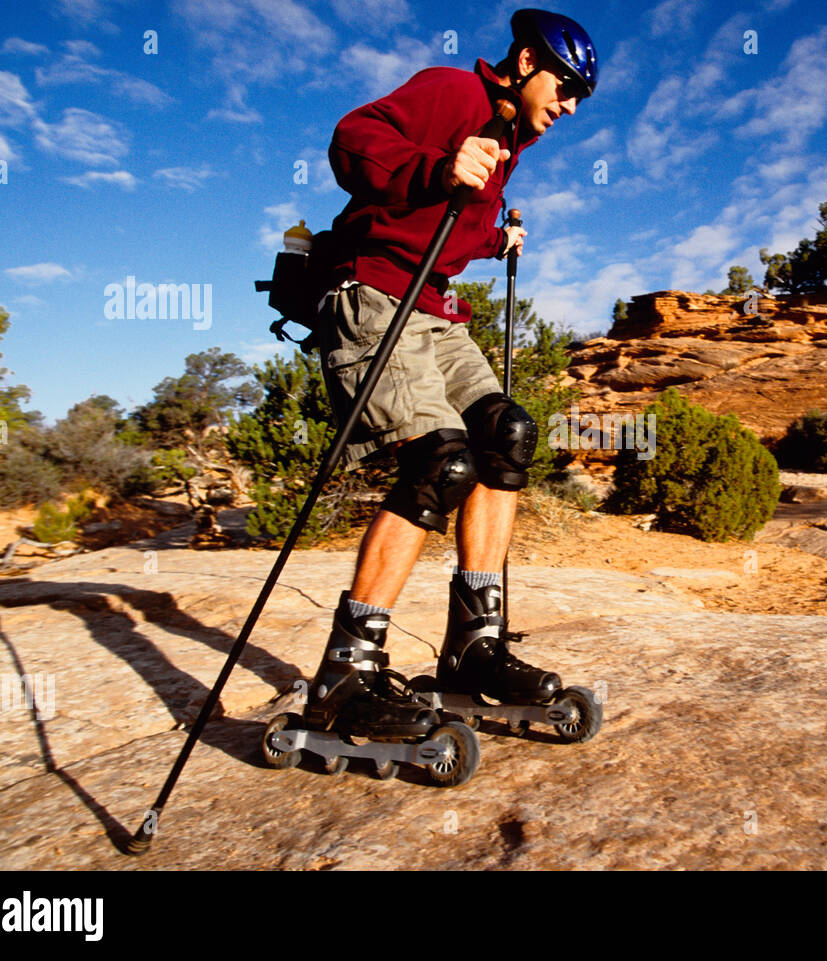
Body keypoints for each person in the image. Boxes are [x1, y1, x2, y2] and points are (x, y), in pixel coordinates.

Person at [303, 10, 600, 737]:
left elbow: (450, 225)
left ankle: (472, 648)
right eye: (565, 86)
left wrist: (498, 238)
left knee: (507, 433)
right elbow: (352, 139)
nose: (569, 106)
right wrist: (439, 168)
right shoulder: (452, 91)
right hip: (375, 294)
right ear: (526, 62)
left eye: (579, 97)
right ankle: (345, 674)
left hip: (433, 307)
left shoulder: (507, 141)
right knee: (443, 462)